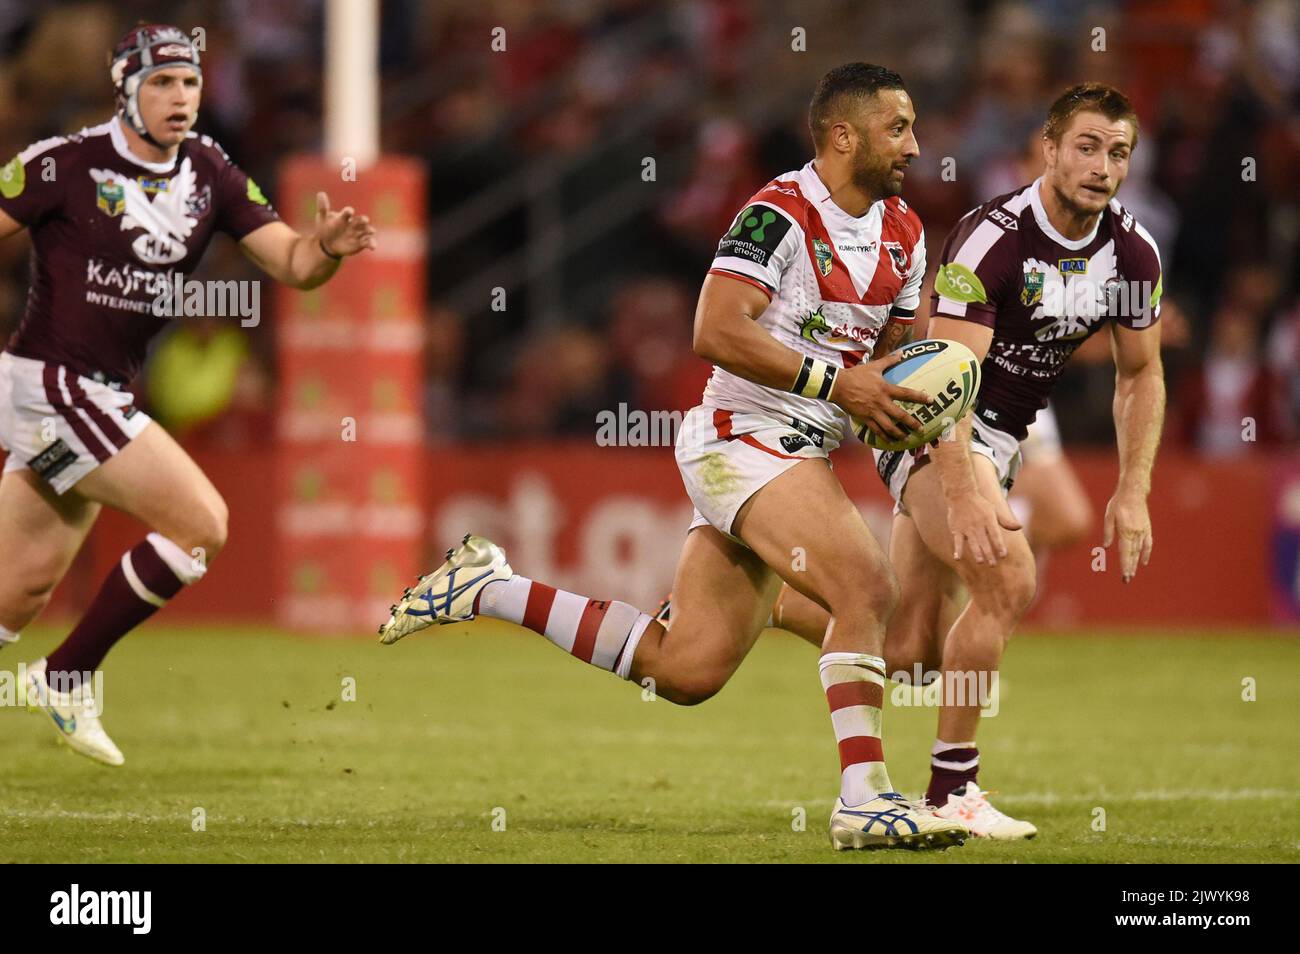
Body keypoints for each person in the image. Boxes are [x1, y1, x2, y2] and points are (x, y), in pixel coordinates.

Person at [380, 63, 970, 851]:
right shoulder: (777, 216)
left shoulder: (905, 232)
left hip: (801, 450)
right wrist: (839, 382)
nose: (915, 145)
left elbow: (890, 368)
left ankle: (491, 588)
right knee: (864, 585)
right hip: (740, 436)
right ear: (842, 135)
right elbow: (715, 330)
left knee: (686, 670)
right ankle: (865, 800)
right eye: (898, 128)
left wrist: (923, 427)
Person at [692, 83, 1165, 840]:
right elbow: (947, 374)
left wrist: (1133, 490)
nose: (1102, 166)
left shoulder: (1132, 252)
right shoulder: (992, 238)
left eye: (1118, 152)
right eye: (1085, 146)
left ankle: (777, 604)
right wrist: (964, 487)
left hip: (1004, 440)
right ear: (1047, 149)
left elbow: (1140, 372)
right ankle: (954, 790)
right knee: (1008, 577)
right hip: (930, 424)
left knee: (911, 651)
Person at [0, 23, 376, 765]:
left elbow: (294, 264)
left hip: (98, 393)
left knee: (16, 589)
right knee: (200, 522)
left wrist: (325, 248)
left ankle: (58, 667)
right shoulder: (62, 165)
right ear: (126, 89)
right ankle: (69, 676)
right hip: (51, 386)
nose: (180, 97)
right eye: (162, 82)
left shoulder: (211, 171)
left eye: (191, 82)